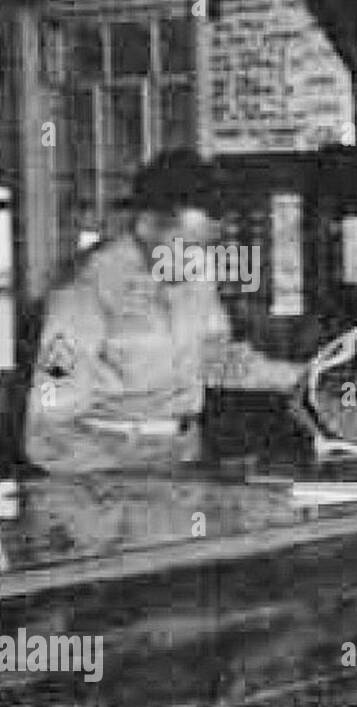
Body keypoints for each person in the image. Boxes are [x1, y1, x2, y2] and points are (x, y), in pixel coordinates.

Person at [24, 149, 302, 474]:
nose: (198, 260)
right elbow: (49, 419)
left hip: (179, 456)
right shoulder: (88, 287)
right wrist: (107, 490)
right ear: (147, 225)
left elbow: (216, 361)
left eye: (207, 247)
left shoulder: (195, 274)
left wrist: (306, 376)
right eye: (188, 246)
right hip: (106, 468)